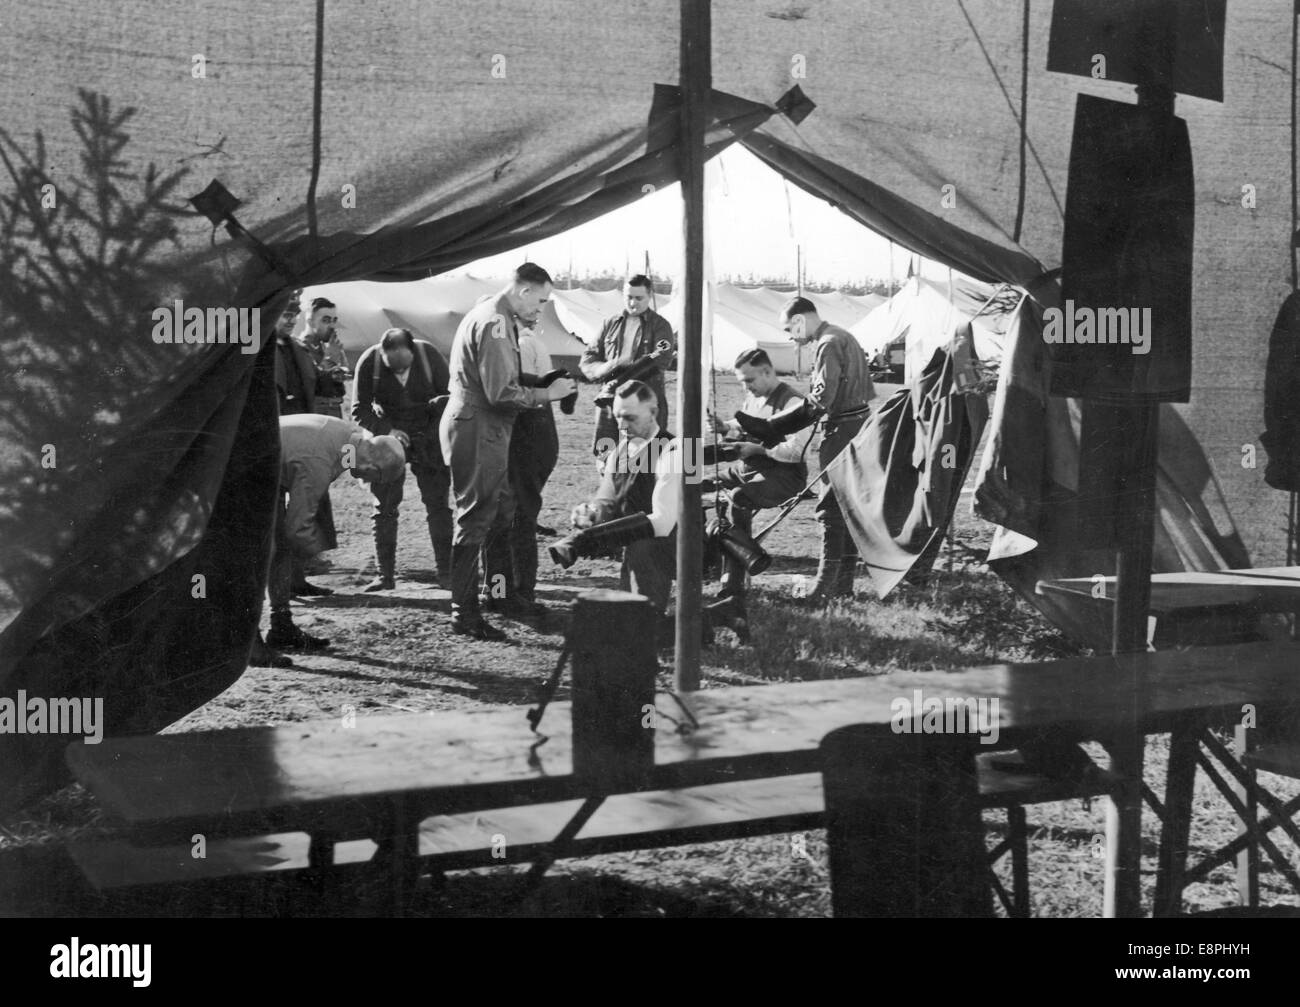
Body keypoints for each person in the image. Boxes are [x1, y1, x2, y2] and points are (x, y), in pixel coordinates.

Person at [440, 264, 576, 639]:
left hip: (488, 428)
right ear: (524, 291)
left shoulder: (498, 318)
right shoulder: (496, 323)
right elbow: (500, 392)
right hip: (478, 427)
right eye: (541, 301)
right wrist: (547, 394)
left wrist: (540, 380)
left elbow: (502, 377)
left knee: (501, 513)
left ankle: (496, 594)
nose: (541, 310)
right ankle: (462, 612)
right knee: (475, 517)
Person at [737, 297, 876, 604]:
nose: (791, 336)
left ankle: (823, 588)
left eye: (790, 328)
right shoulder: (841, 335)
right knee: (847, 507)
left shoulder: (827, 342)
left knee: (829, 509)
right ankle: (842, 585)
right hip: (858, 425)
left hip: (842, 430)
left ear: (800, 320)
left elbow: (820, 401)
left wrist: (773, 426)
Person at [264, 414, 406, 652]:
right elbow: (297, 528)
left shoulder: (348, 440)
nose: (369, 483)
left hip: (268, 467)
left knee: (278, 547)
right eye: (375, 479)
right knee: (264, 550)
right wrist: (320, 558)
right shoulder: (320, 460)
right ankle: (253, 639)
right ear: (372, 466)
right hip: (245, 468)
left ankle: (280, 625)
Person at [552, 380, 680, 620]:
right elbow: (607, 500)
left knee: (642, 611)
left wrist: (588, 539)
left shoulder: (678, 449)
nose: (622, 425)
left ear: (653, 412)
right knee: (630, 609)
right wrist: (590, 514)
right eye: (618, 417)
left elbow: (663, 523)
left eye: (630, 418)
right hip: (637, 542)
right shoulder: (620, 451)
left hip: (678, 544)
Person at [352, 327, 454, 592]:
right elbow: (359, 409)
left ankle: (447, 573)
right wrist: (387, 430)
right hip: (388, 440)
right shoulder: (369, 362)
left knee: (438, 505)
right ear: (382, 352)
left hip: (429, 436)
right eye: (392, 368)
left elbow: (451, 401)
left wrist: (428, 435)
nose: (399, 373)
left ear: (413, 351)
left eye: (404, 367)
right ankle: (384, 576)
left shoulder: (429, 355)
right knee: (384, 506)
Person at [707, 348, 809, 599]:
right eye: (742, 382)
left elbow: (796, 451)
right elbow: (741, 426)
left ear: (767, 372)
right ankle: (707, 559)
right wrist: (724, 427)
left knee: (739, 496)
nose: (746, 387)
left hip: (784, 476)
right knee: (697, 485)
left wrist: (760, 450)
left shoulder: (793, 402)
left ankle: (734, 578)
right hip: (748, 468)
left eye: (749, 381)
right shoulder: (754, 397)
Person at [480, 322, 560, 620]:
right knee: (507, 523)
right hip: (523, 444)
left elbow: (514, 393)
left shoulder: (520, 347)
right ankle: (504, 591)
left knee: (515, 523)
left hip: (524, 444)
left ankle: (515, 592)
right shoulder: (519, 344)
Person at [272, 291, 334, 597]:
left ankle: (297, 578)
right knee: (278, 517)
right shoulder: (258, 348)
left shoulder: (296, 349)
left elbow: (313, 383)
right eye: (284, 315)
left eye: (292, 316)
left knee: (300, 511)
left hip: (303, 442)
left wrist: (329, 376)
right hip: (274, 442)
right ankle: (282, 586)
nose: (289, 321)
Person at [579, 274, 676, 457]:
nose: (633, 303)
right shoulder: (609, 323)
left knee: (647, 457)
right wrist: (607, 367)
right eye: (629, 298)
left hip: (644, 402)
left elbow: (660, 357)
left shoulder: (661, 326)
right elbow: (588, 358)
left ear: (650, 296)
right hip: (609, 403)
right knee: (605, 454)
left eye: (639, 298)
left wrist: (622, 378)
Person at [300, 297, 351, 418]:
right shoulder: (301, 348)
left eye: (334, 320)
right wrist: (329, 359)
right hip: (316, 411)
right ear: (310, 321)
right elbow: (311, 382)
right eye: (326, 320)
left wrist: (339, 360)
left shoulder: (328, 346)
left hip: (335, 408)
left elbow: (344, 375)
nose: (332, 326)